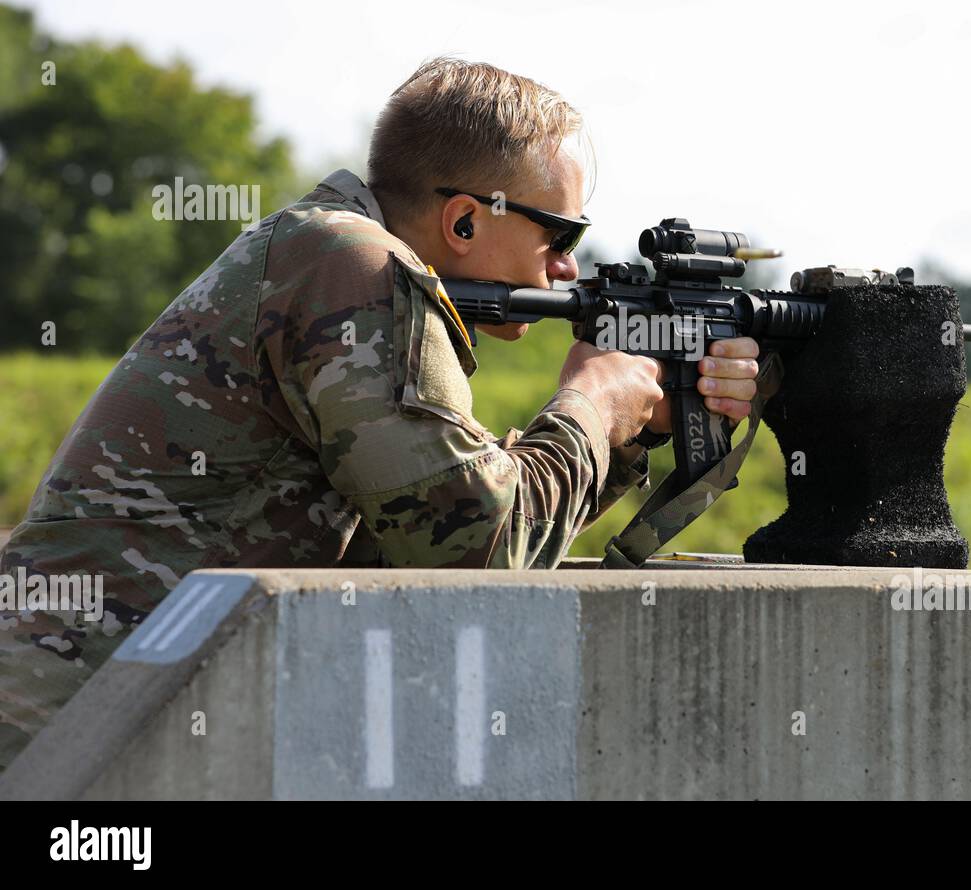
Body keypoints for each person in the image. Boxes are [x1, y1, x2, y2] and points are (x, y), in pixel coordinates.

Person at [0, 57, 760, 773]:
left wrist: (635, 424)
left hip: (108, 716)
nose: (567, 269)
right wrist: (595, 401)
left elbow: (432, 524)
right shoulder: (356, 265)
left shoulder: (321, 247)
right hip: (63, 742)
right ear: (464, 221)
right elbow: (480, 552)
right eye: (560, 236)